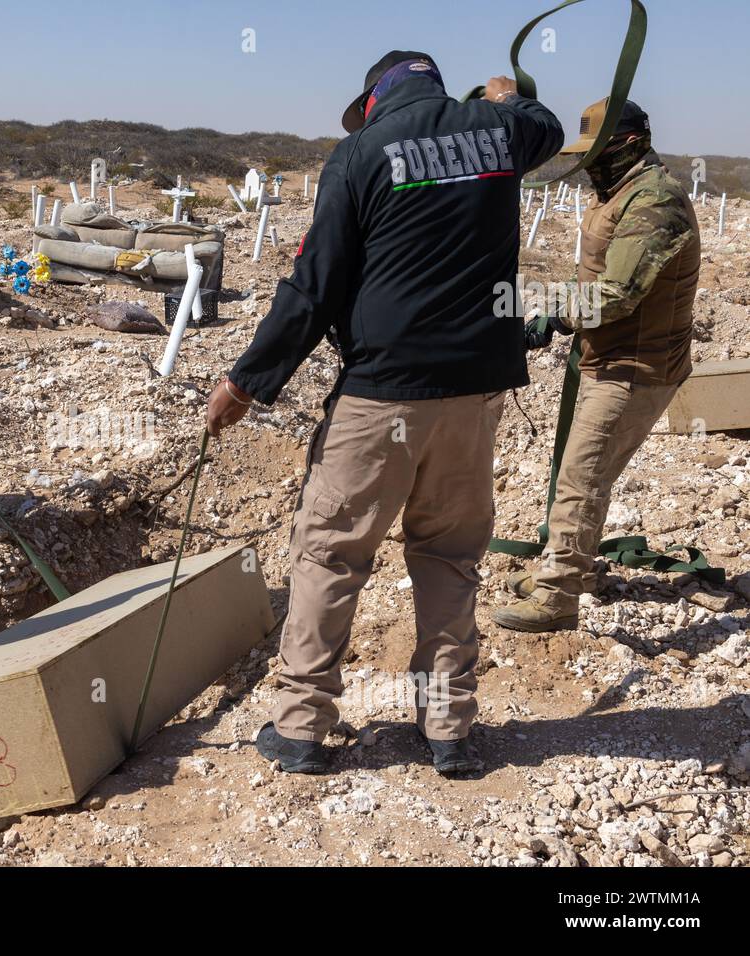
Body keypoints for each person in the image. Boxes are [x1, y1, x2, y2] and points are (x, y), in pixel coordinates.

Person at [205, 53, 563, 775]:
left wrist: (246, 384)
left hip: (383, 393)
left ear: (376, 99)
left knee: (333, 553)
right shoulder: (498, 131)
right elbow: (546, 127)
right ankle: (449, 730)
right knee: (450, 556)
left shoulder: (361, 153)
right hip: (473, 393)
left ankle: (302, 727)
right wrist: (505, 93)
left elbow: (314, 286)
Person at [495, 100, 700, 632]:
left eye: (597, 153)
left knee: (581, 478)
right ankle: (572, 573)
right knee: (585, 473)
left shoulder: (655, 199)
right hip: (609, 358)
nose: (588, 166)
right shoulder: (622, 194)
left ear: (628, 144)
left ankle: (558, 595)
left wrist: (553, 318)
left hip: (637, 365)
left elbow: (620, 292)